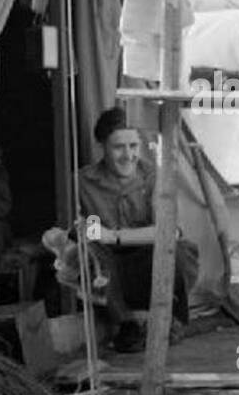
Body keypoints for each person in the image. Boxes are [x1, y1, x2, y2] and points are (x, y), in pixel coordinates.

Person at [77, 107, 198, 353]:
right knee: (86, 252)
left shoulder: (154, 176)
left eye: (134, 146)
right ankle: (127, 324)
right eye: (118, 147)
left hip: (145, 261)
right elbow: (82, 226)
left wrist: (114, 236)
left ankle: (169, 319)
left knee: (181, 252)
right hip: (109, 265)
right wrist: (94, 232)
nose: (128, 155)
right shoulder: (83, 182)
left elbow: (168, 231)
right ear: (102, 146)